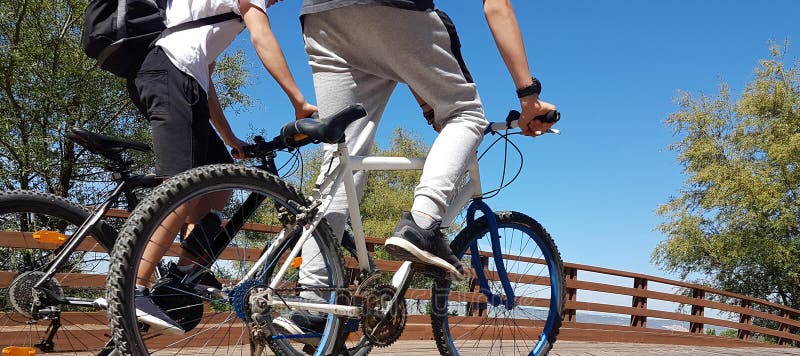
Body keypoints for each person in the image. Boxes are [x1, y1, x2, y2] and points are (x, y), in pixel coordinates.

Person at [278, 0, 557, 333]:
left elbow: (406, 62)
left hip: (321, 17)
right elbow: (497, 6)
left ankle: (314, 301)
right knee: (466, 115)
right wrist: (530, 98)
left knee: (341, 157)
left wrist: (431, 110)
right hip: (389, 7)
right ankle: (421, 223)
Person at [119, 0, 317, 333]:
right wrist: (299, 101)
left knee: (219, 181)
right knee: (178, 190)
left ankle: (183, 272)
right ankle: (132, 290)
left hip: (178, 80)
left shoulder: (204, 18)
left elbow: (206, 82)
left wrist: (229, 138)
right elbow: (262, 35)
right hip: (169, 75)